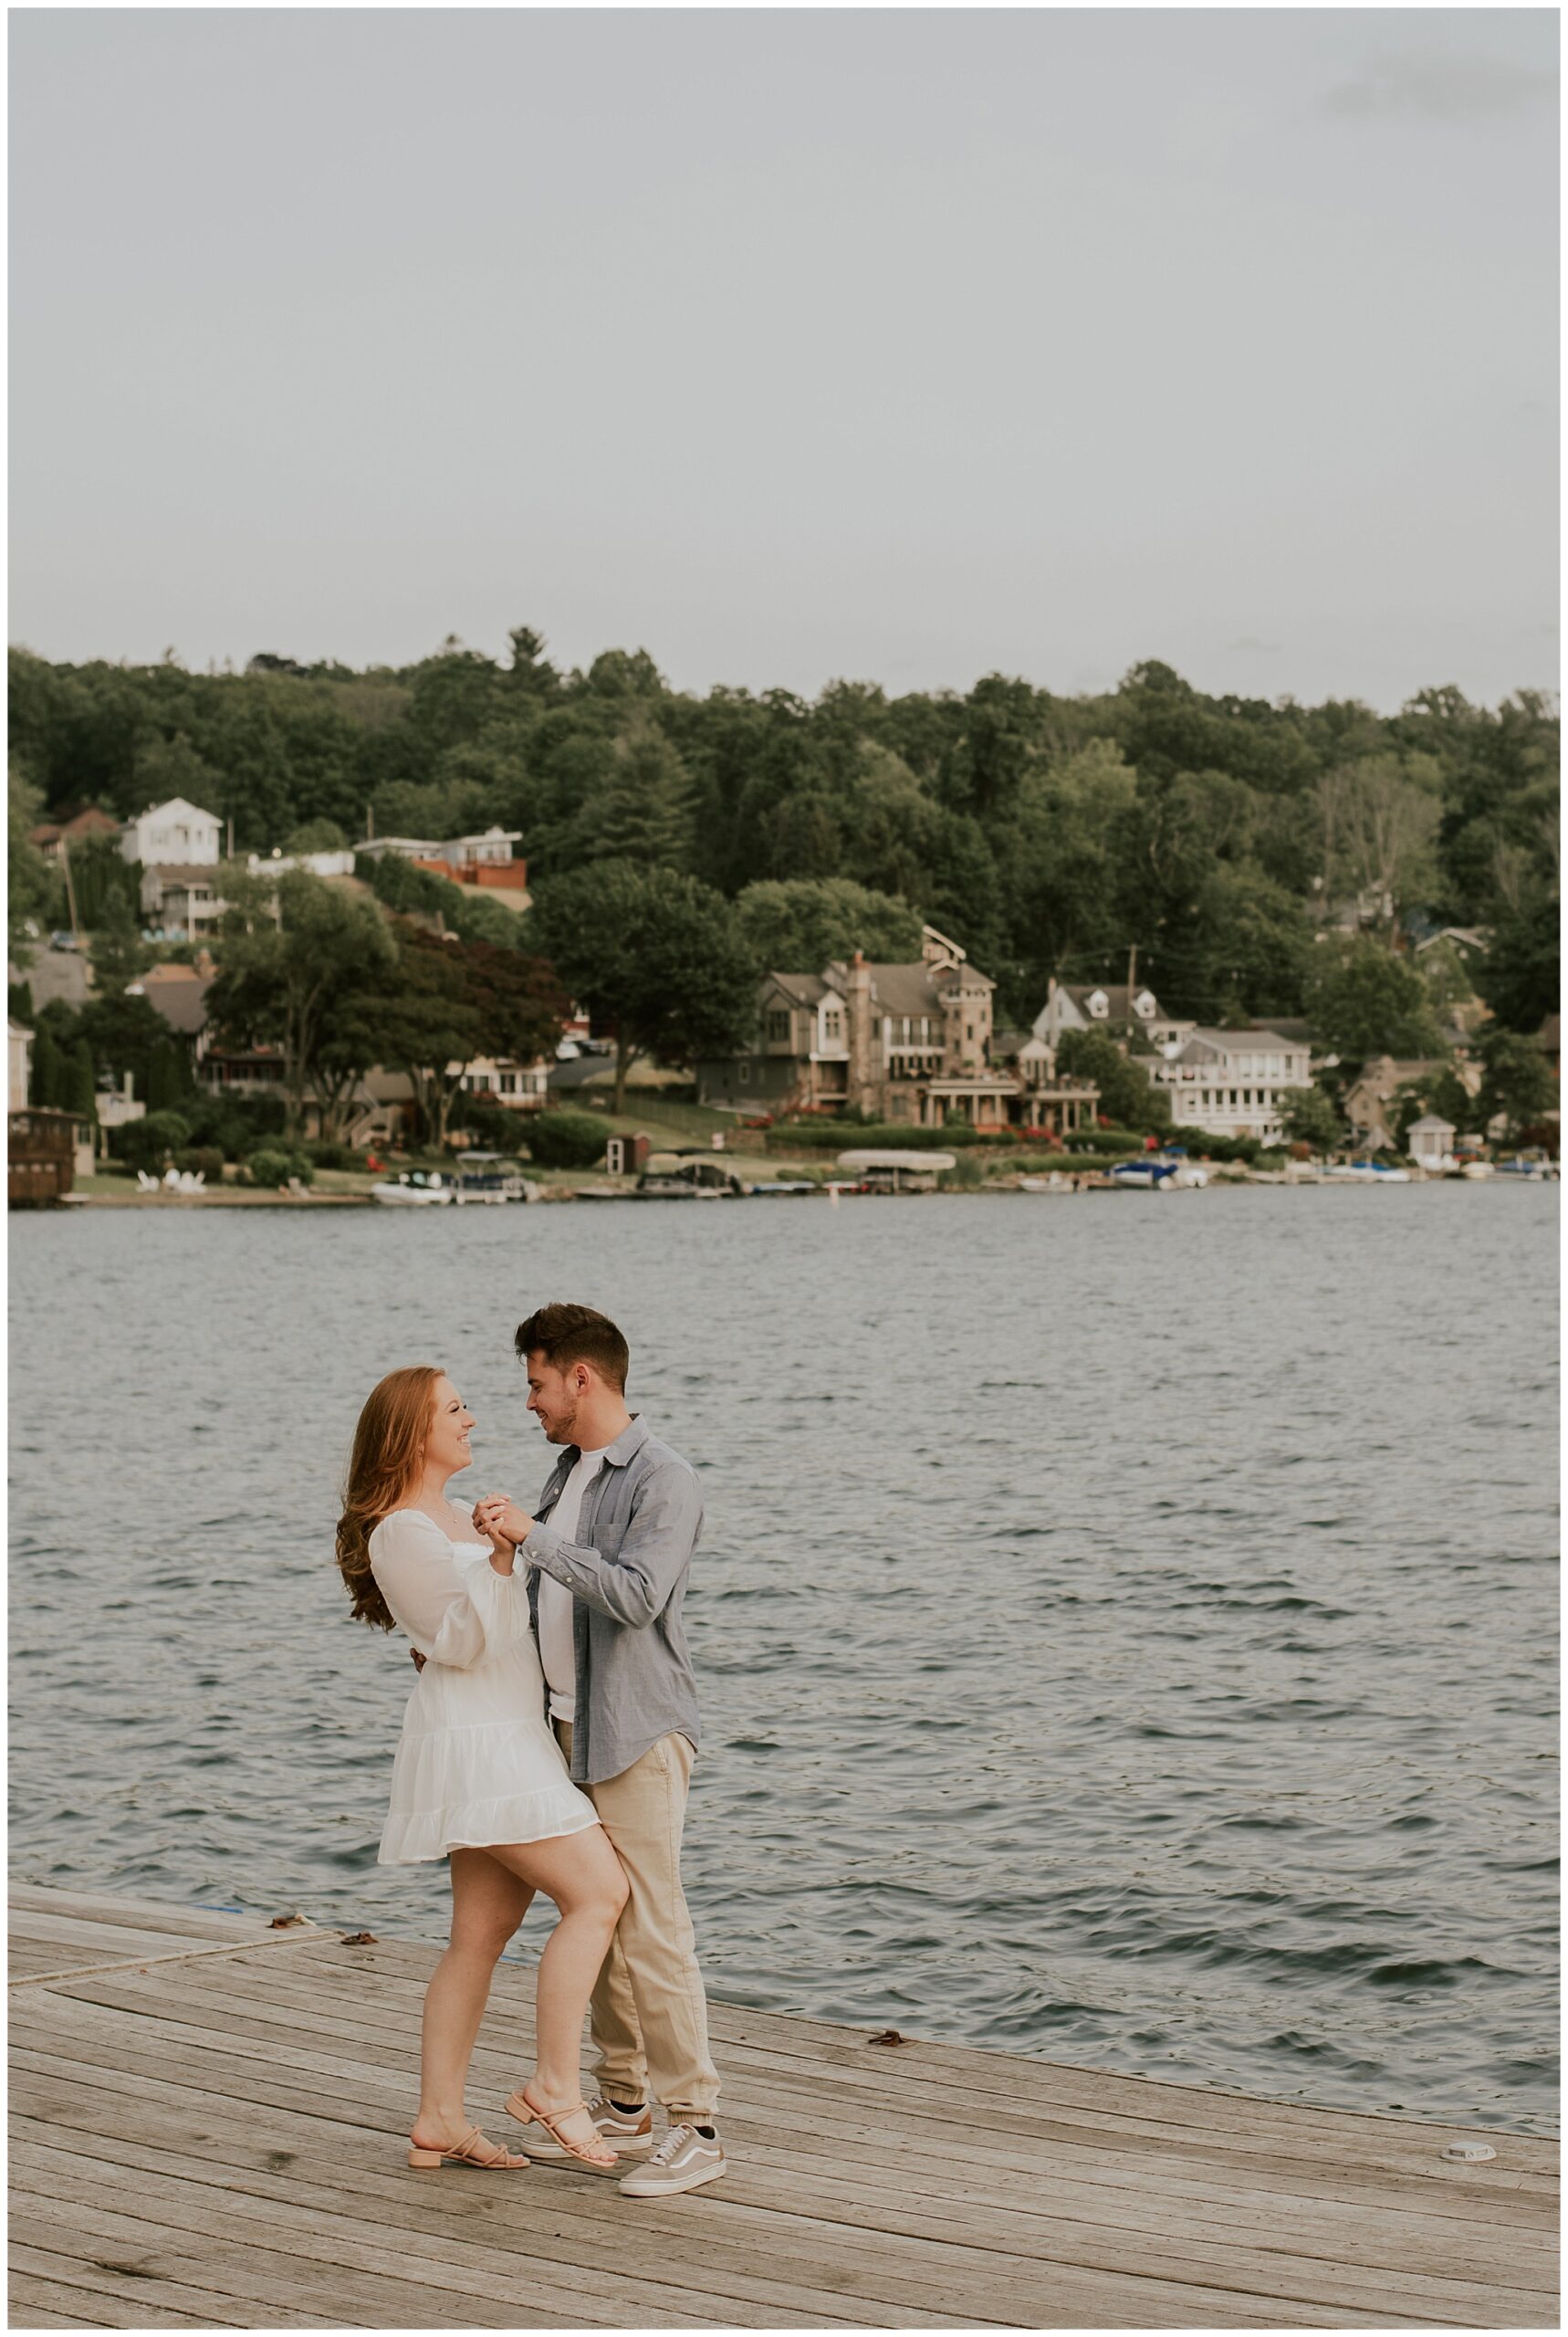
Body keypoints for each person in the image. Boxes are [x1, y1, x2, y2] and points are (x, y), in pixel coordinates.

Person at [336, 1364, 631, 2175]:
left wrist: (509, 1546)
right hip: (480, 1743)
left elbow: (511, 1628)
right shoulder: (401, 1530)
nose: (471, 1419)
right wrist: (504, 1561)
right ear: (410, 1432)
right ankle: (555, 2086)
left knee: (478, 1936)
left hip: (512, 1732)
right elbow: (458, 1643)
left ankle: (438, 2118)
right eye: (454, 1409)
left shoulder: (461, 1517)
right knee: (599, 1892)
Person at [473, 1302, 725, 2198]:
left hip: (636, 1732)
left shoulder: (663, 1476)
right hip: (564, 1730)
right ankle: (625, 2106)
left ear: (582, 1377)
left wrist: (533, 1539)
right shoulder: (567, 1470)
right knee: (598, 1915)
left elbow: (638, 1595)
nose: (529, 1401)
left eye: (537, 1382)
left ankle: (695, 2123)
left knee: (652, 1927)